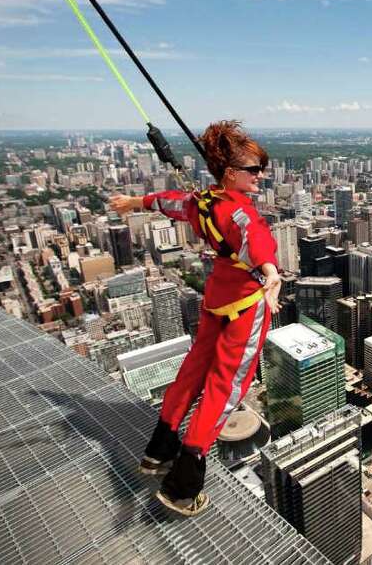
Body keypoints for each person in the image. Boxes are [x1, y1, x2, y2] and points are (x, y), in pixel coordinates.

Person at [109, 120, 281, 516]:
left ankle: (158, 454)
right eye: (254, 170)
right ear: (231, 173)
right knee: (225, 390)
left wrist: (135, 203)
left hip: (214, 300)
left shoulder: (203, 202)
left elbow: (171, 202)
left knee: (191, 374)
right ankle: (182, 486)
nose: (260, 176)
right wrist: (271, 274)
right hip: (244, 306)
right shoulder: (241, 213)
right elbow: (255, 242)